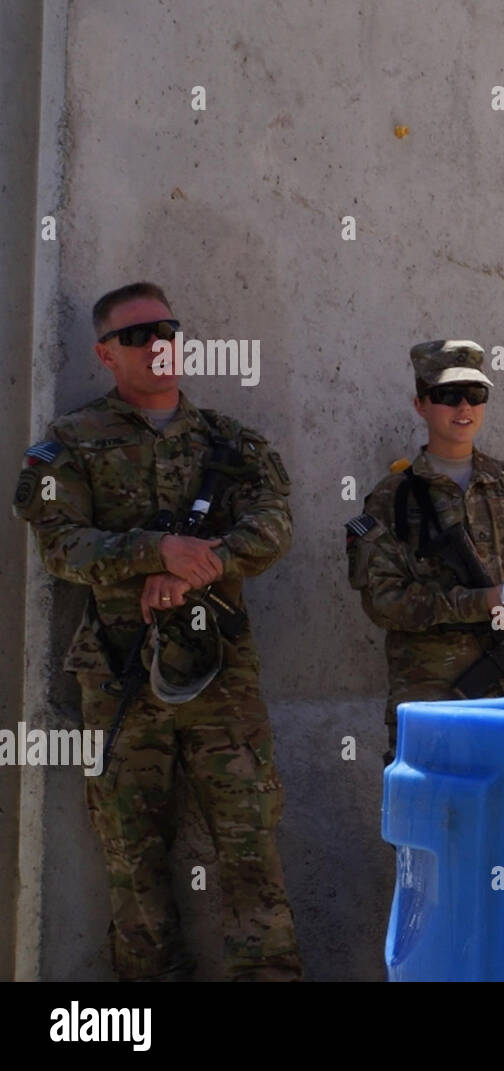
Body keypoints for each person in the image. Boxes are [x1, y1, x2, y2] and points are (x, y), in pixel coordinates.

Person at [13, 281, 301, 980]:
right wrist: (154, 550)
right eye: (137, 336)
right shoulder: (69, 445)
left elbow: (272, 526)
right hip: (119, 679)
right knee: (133, 861)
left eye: (166, 330)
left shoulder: (231, 442)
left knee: (249, 852)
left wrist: (199, 566)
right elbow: (61, 547)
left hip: (221, 675)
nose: (157, 345)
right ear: (105, 354)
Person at [347, 340, 504, 762]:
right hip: (435, 700)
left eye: (475, 395)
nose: (463, 407)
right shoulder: (392, 499)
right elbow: (384, 602)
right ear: (420, 404)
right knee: (434, 821)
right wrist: (481, 603)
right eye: (447, 396)